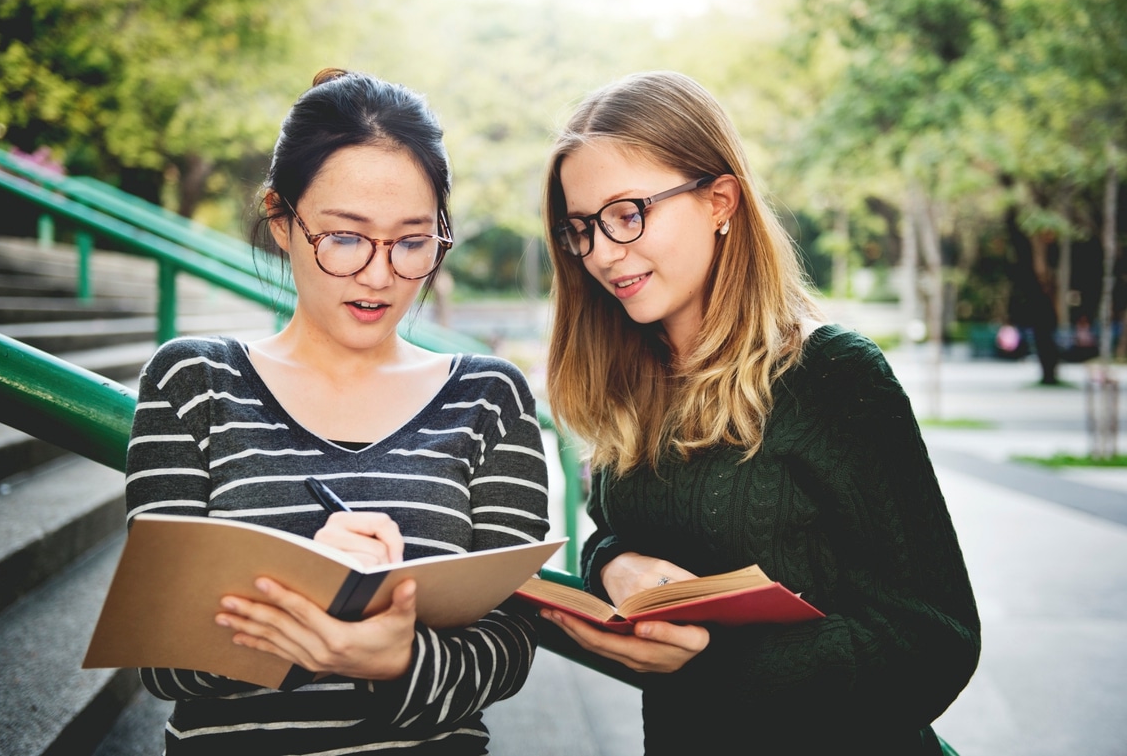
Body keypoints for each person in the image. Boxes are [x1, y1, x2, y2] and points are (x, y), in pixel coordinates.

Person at [536, 71, 980, 755]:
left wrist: (710, 661)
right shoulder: (637, 381)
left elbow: (935, 637)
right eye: (580, 229)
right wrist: (611, 565)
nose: (600, 251)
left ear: (720, 200)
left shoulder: (833, 376)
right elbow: (623, 535)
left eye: (627, 213)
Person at [123, 68, 550, 755]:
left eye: (412, 241)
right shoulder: (191, 383)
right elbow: (161, 658)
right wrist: (312, 588)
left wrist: (398, 661)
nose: (380, 276)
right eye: (346, 237)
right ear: (283, 221)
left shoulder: (489, 398)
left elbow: (508, 645)